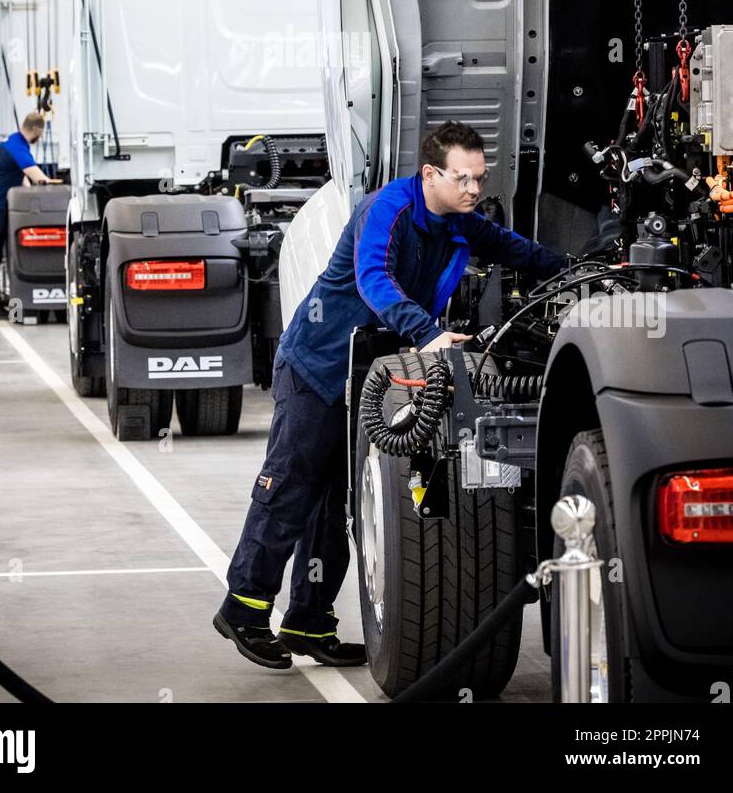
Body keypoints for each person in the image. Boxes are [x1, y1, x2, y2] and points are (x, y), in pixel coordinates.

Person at [213, 120, 569, 671]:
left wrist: (580, 271)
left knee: (336, 506)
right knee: (289, 490)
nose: (475, 190)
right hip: (316, 367)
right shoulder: (388, 209)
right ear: (430, 174)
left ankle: (309, 621)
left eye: (480, 179)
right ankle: (243, 609)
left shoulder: (458, 220)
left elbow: (518, 251)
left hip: (363, 378)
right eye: (464, 179)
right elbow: (373, 280)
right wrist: (427, 333)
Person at [0, 112, 53, 320]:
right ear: (36, 130)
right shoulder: (17, 146)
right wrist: (51, 184)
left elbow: (22, 177)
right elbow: (35, 175)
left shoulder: (12, 141)